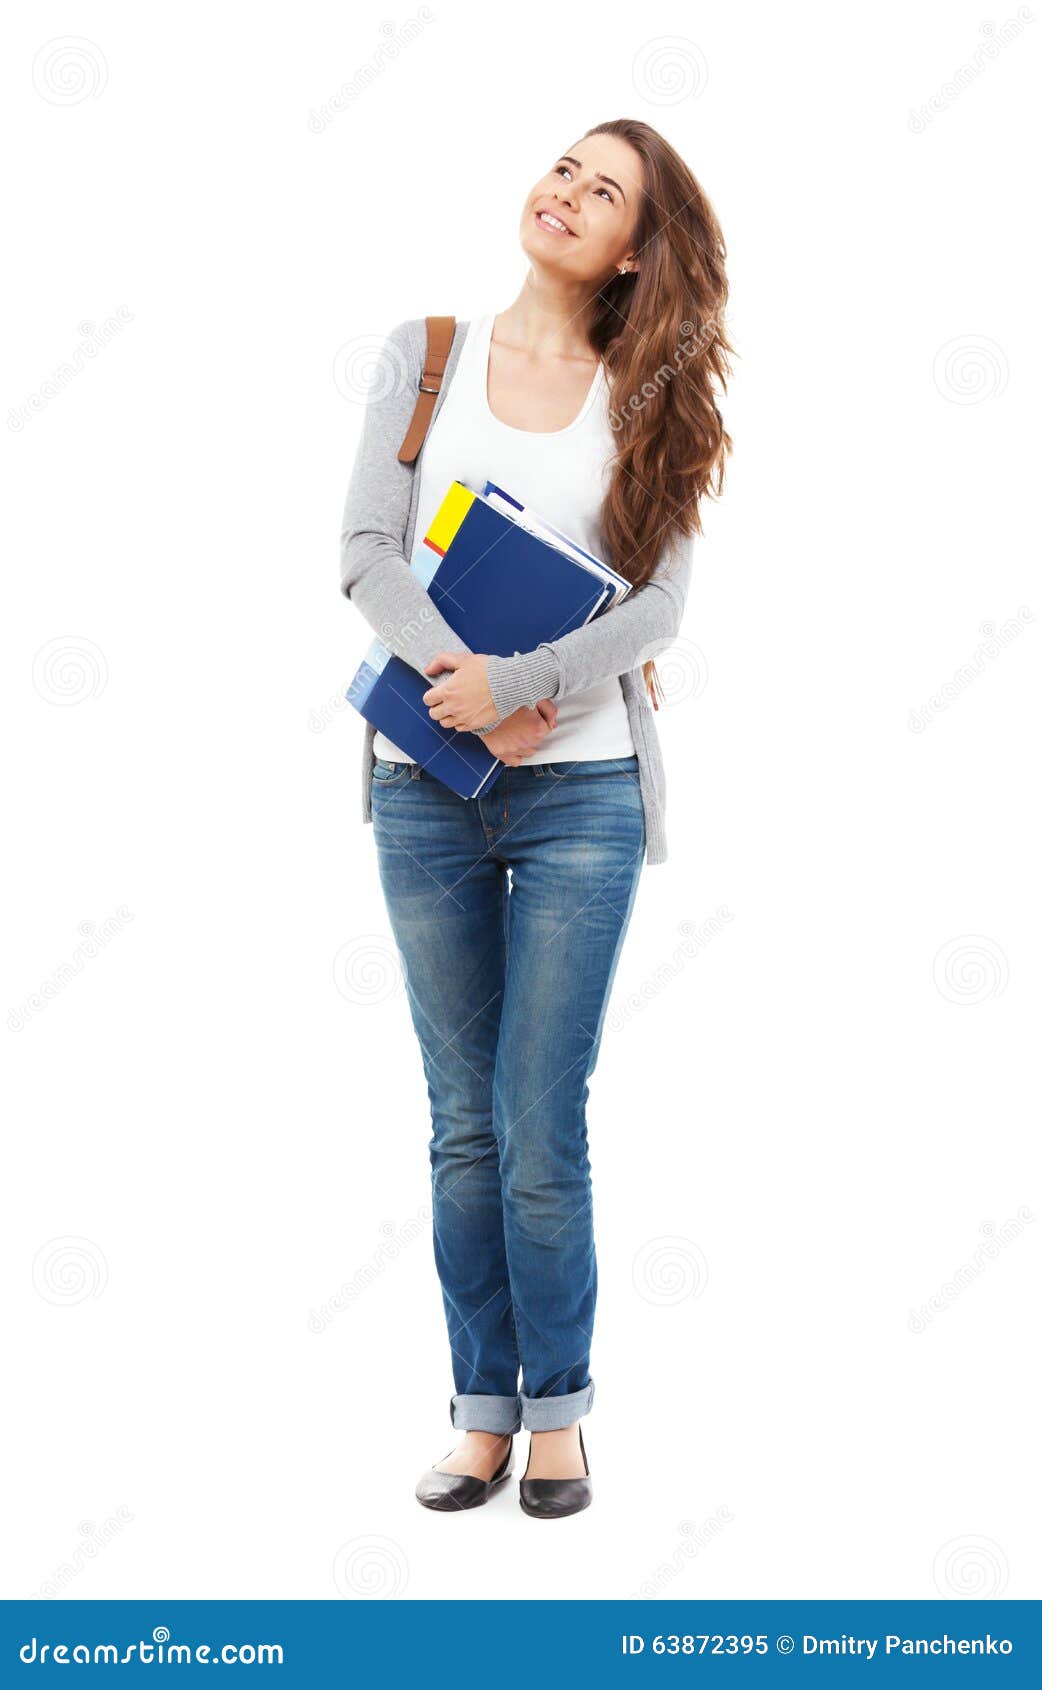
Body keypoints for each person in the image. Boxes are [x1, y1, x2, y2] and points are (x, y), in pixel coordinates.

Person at [339, 118, 733, 1517]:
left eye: (603, 190)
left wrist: (518, 683)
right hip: (426, 792)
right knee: (459, 1122)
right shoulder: (425, 351)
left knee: (534, 1110)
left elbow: (659, 607)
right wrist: (462, 690)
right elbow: (365, 552)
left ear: (635, 245)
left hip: (579, 793)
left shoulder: (653, 390)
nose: (565, 194)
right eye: (562, 166)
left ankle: (557, 1405)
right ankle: (481, 1407)